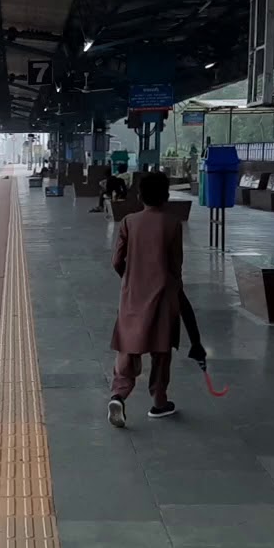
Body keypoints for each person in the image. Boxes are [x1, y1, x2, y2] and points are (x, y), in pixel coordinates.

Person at [107, 171, 184, 427]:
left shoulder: (129, 221)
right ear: (166, 196)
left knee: (128, 348)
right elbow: (176, 265)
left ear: (139, 196)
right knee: (161, 351)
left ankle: (119, 394)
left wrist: (129, 279)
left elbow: (117, 261)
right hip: (163, 294)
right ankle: (159, 402)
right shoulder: (172, 224)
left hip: (133, 294)